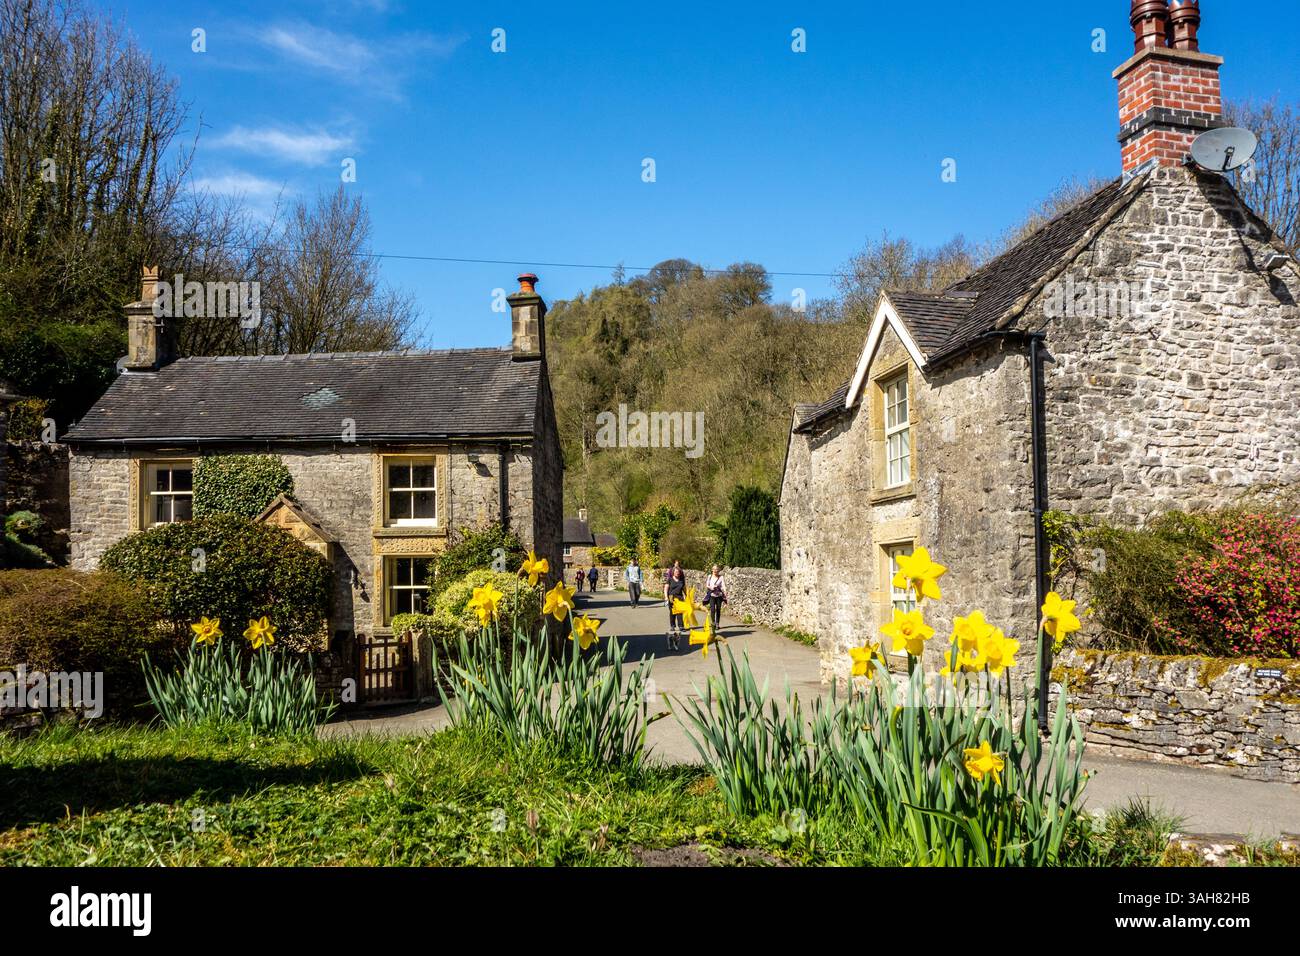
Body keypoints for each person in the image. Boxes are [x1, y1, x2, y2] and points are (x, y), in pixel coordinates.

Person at [664, 565, 687, 650]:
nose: (677, 573)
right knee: (672, 612)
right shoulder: (670, 580)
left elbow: (684, 589)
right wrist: (666, 597)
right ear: (673, 572)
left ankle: (681, 626)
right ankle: (672, 626)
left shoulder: (681, 580)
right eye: (676, 572)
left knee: (680, 612)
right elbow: (666, 589)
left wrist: (688, 597)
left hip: (680, 598)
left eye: (678, 572)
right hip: (671, 598)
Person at [705, 564, 727, 632]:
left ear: (718, 570)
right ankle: (713, 623)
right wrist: (711, 587)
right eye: (714, 569)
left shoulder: (721, 577)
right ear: (712, 570)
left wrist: (725, 591)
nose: (715, 570)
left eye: (716, 569)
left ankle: (717, 623)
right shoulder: (710, 576)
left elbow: (723, 585)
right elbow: (707, 585)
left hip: (719, 595)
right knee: (712, 609)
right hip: (712, 595)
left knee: (718, 609)